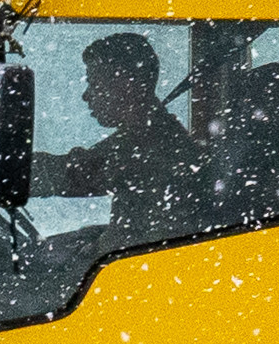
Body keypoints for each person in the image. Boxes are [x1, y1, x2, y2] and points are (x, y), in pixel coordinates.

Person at [29, 31, 207, 244]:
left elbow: (70, 175)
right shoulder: (148, 133)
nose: (86, 95)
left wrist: (1, 172)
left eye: (94, 83)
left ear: (126, 84)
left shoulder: (148, 145)